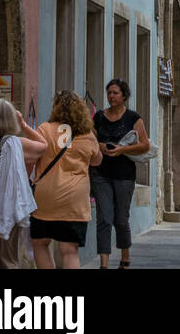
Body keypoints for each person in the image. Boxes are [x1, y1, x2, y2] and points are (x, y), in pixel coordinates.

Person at [31, 90, 102, 270]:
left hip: (46, 196)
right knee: (69, 250)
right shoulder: (87, 134)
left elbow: (34, 156)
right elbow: (97, 160)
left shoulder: (44, 129)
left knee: (40, 243)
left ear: (56, 108)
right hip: (75, 199)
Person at [0, 99, 46, 269]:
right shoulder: (17, 144)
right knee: (8, 260)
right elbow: (44, 145)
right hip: (9, 210)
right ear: (10, 119)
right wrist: (23, 124)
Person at [91, 78, 150, 269]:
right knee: (104, 218)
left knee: (121, 219)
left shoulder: (133, 118)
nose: (111, 96)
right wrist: (101, 146)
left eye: (115, 93)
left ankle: (125, 257)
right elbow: (90, 139)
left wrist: (121, 150)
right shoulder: (99, 117)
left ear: (124, 95)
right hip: (100, 173)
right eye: (109, 93)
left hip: (124, 174)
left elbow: (144, 145)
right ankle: (104, 264)